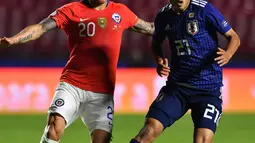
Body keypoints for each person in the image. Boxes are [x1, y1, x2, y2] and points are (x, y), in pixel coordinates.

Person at [0, 0, 154, 143]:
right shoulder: (71, 10)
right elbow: (41, 27)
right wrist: (14, 39)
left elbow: (150, 28)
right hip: (72, 85)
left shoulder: (120, 12)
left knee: (102, 140)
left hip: (102, 95)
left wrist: (175, 23)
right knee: (54, 128)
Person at [130, 0, 240, 143]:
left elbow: (234, 37)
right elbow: (156, 42)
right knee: (150, 128)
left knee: (202, 140)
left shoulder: (203, 9)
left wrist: (228, 54)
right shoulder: (163, 16)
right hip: (177, 88)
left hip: (208, 89)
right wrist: (159, 60)